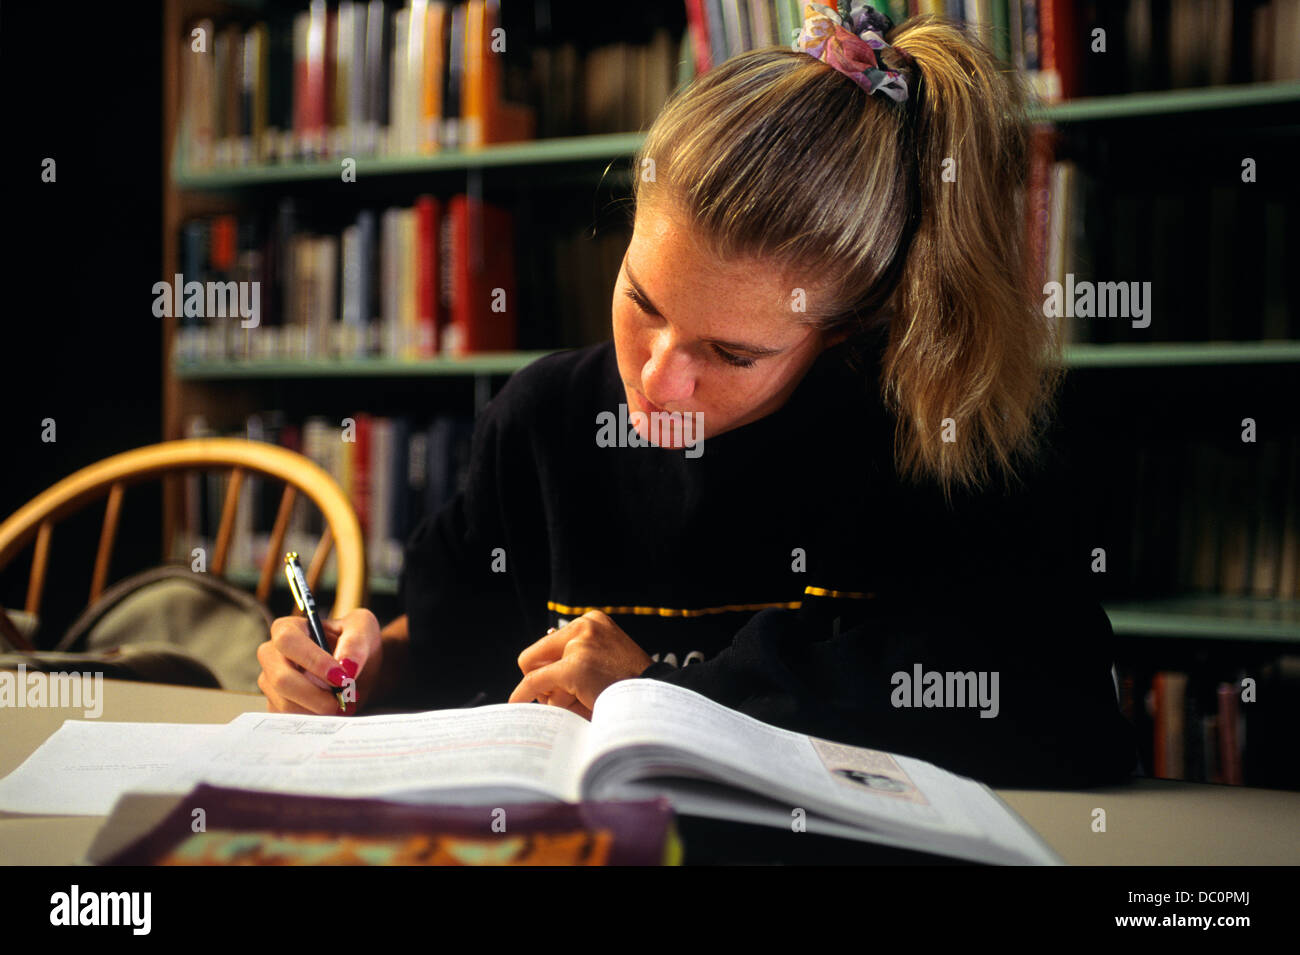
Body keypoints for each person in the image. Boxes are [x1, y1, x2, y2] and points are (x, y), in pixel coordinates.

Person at [258, 4, 1138, 788]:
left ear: (846, 332)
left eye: (732, 352)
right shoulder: (543, 421)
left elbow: (1066, 710)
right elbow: (448, 644)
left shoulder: (935, 433)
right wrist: (358, 668)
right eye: (642, 301)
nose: (658, 379)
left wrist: (678, 700)